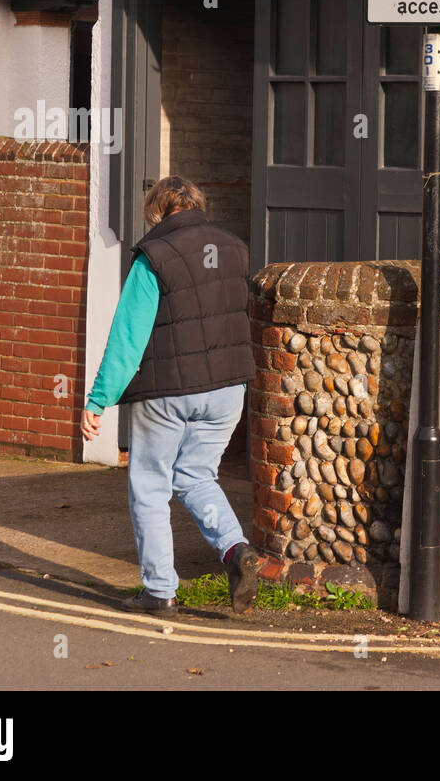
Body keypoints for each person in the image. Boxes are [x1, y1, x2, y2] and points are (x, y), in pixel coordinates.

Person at [80, 176, 259, 618]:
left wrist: (98, 400)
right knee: (196, 476)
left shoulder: (154, 257)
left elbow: (128, 338)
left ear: (157, 212)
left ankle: (160, 592)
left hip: (166, 394)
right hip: (227, 390)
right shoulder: (236, 248)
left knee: (150, 485)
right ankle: (236, 550)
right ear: (198, 205)